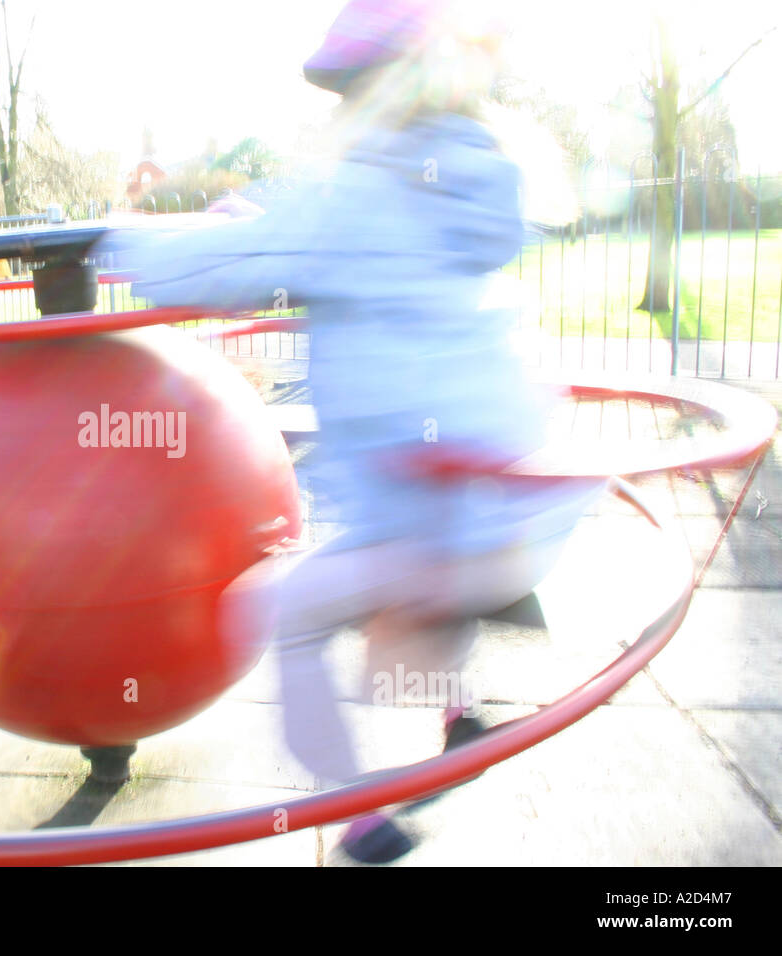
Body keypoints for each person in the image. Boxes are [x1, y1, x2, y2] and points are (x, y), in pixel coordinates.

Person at [106, 0, 601, 863]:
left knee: (273, 614)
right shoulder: (484, 177)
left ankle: (359, 820)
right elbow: (285, 231)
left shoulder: (351, 201)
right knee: (402, 586)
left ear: (369, 95)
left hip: (447, 518)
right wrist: (258, 221)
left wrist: (115, 238)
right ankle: (462, 709)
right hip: (522, 509)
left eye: (343, 95)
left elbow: (214, 265)